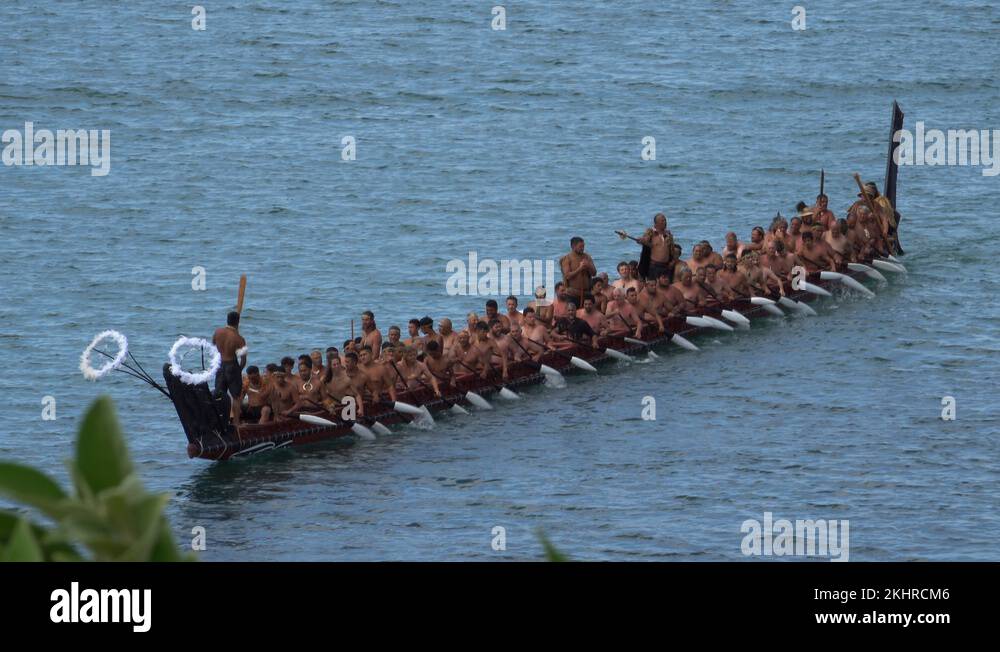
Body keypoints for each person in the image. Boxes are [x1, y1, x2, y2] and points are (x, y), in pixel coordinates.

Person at [212, 311, 247, 427]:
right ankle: (236, 422)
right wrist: (239, 369)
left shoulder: (217, 332)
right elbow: (243, 360)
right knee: (236, 397)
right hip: (232, 364)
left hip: (220, 364)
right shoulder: (239, 339)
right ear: (238, 322)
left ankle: (219, 422)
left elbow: (213, 346)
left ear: (227, 320)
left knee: (219, 395)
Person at [636, 213, 675, 282]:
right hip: (654, 267)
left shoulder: (668, 235)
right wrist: (642, 240)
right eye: (662, 221)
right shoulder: (651, 233)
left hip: (666, 266)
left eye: (665, 220)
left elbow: (672, 251)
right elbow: (645, 240)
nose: (665, 222)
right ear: (656, 223)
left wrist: (672, 261)